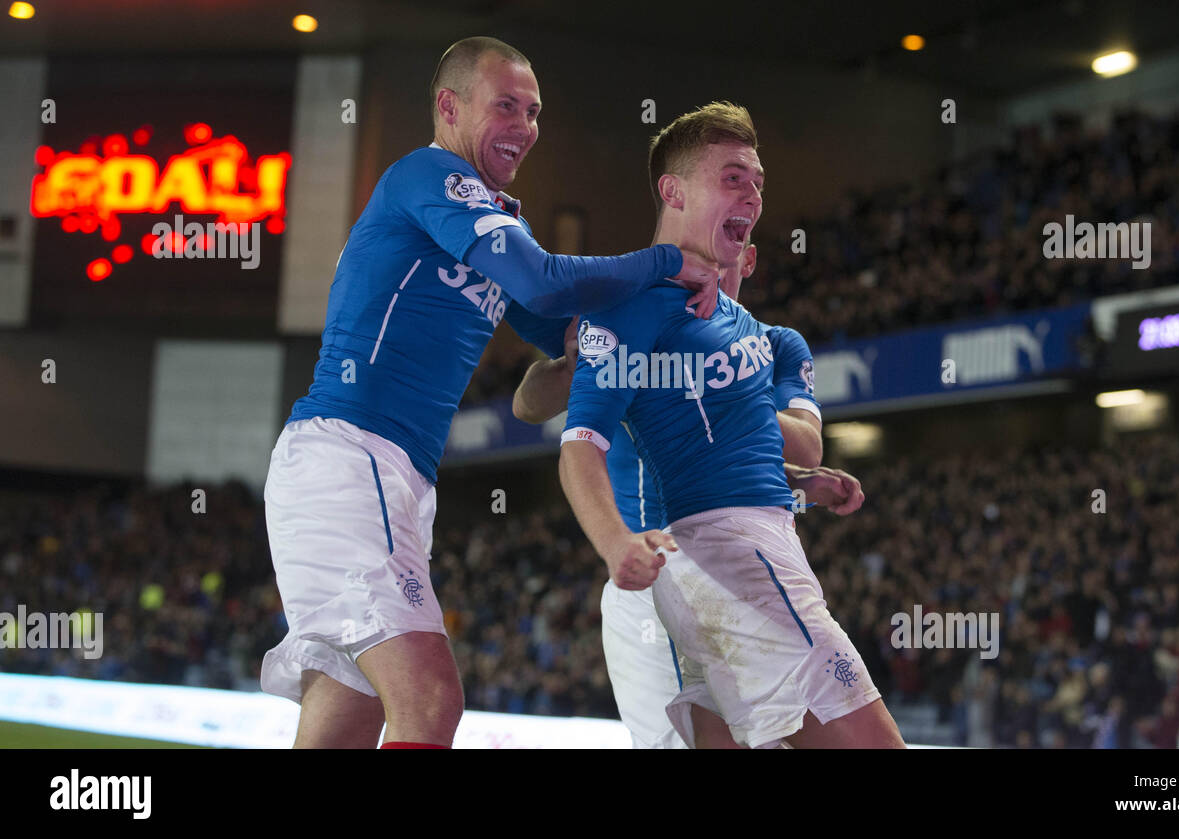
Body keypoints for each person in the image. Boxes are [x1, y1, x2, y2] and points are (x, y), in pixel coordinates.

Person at [260, 36, 720, 749]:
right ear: (449, 105)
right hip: (352, 457)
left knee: (348, 716)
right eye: (506, 105)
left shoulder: (498, 222)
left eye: (534, 112)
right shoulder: (429, 175)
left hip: (387, 477)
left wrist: (607, 354)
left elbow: (549, 369)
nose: (525, 126)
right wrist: (667, 259)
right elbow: (540, 279)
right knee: (432, 698)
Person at [558, 101, 904, 748]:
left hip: (744, 547)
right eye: (733, 177)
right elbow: (577, 442)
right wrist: (612, 542)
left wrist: (802, 477)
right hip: (710, 553)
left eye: (759, 181)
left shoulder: (753, 332)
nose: (753, 195)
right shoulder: (630, 306)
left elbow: (752, 433)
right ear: (674, 190)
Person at [514, 243, 864, 747]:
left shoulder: (773, 345)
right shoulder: (634, 322)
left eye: (726, 256)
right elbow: (527, 406)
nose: (707, 272)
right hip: (654, 573)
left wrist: (723, 381)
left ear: (748, 262)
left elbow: (800, 447)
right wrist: (575, 364)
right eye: (698, 260)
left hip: (735, 564)